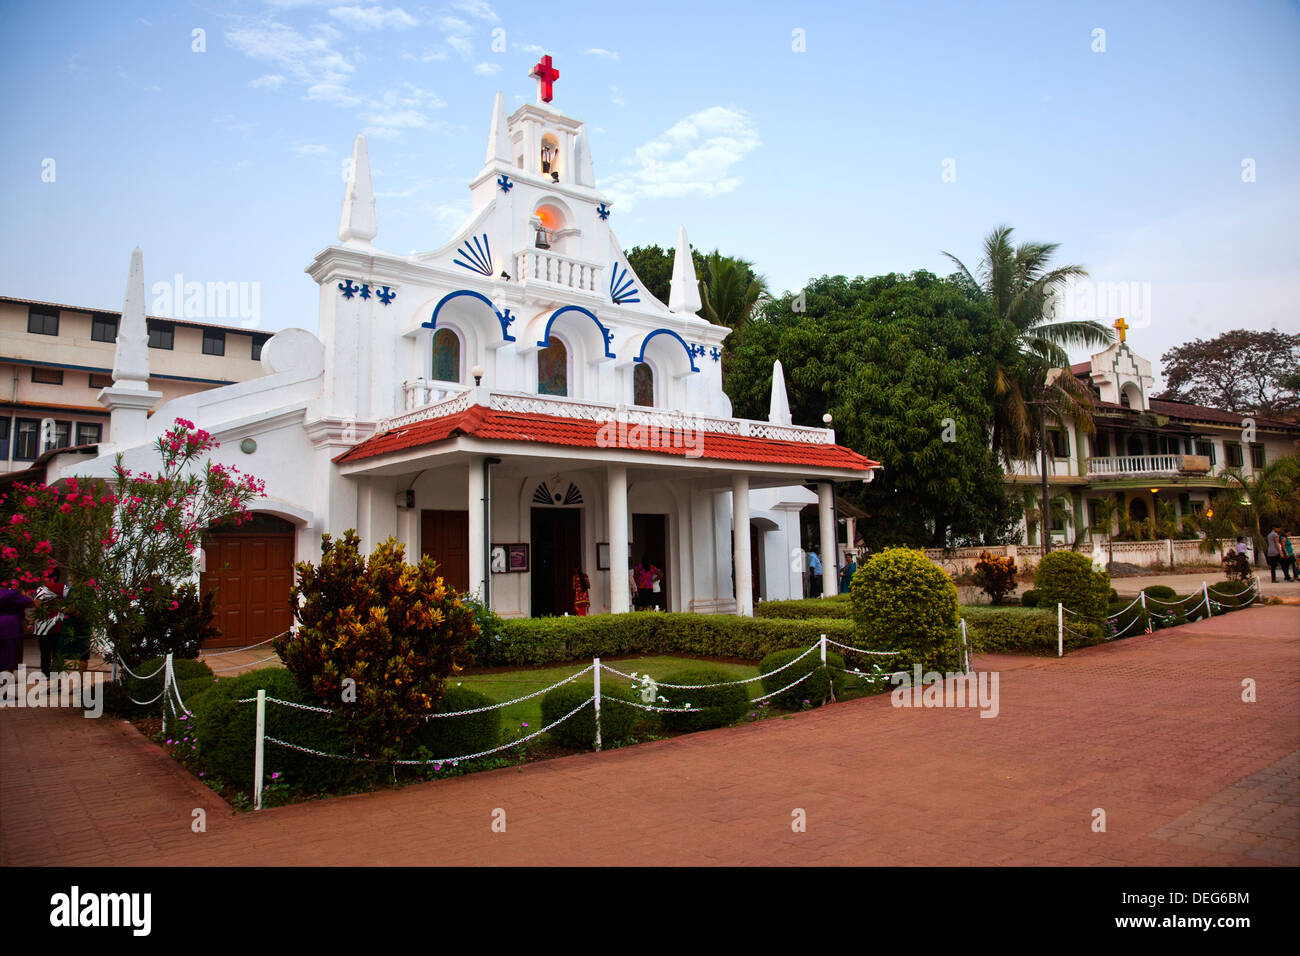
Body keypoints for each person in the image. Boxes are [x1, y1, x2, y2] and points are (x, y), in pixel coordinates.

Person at [33, 569, 66, 677]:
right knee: (57, 652)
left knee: (45, 652)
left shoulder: (42, 589)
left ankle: (45, 674)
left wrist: (30, 622)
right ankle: (57, 674)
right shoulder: (63, 588)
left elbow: (36, 605)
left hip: (43, 626)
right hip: (58, 624)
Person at [0, 585, 33, 673]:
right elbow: (30, 602)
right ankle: (8, 675)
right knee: (11, 652)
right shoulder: (13, 594)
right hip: (12, 625)